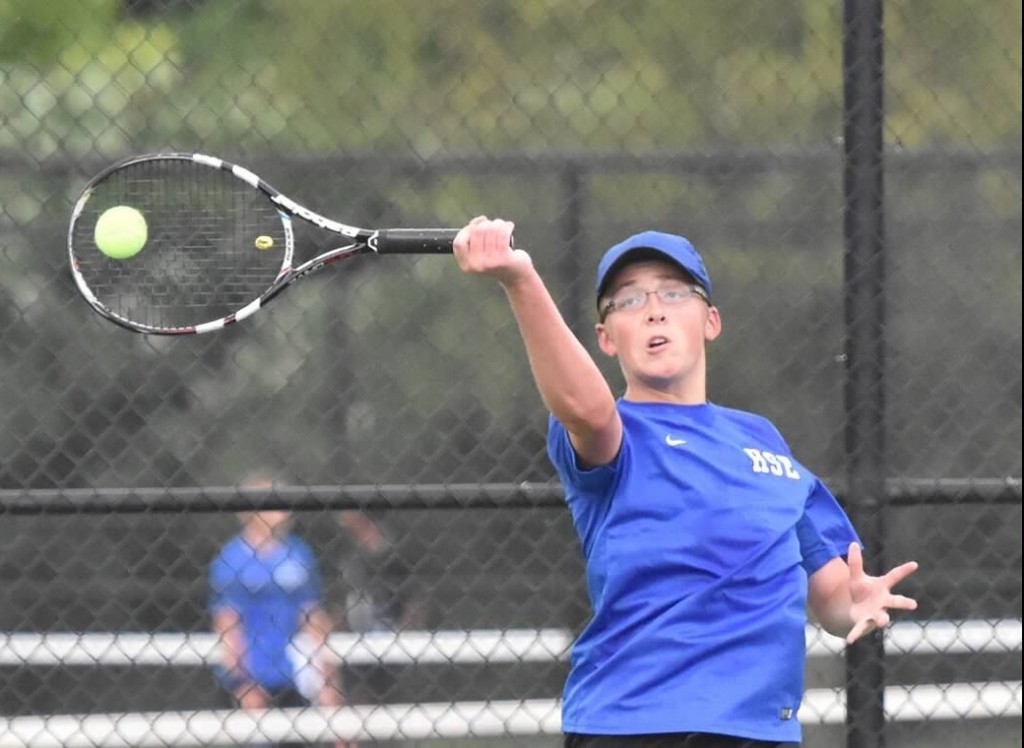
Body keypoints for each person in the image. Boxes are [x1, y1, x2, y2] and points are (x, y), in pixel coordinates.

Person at [451, 217, 919, 748]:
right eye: (627, 300)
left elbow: (832, 595)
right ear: (606, 338)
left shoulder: (763, 441)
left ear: (711, 321)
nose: (653, 308)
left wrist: (853, 602)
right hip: (636, 726)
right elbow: (584, 405)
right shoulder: (614, 432)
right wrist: (520, 279)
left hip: (761, 729)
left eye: (674, 293)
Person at [209, 475, 351, 748]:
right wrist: (242, 681)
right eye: (274, 504)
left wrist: (328, 677)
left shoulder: (298, 553)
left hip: (296, 670)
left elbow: (312, 616)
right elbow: (227, 624)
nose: (284, 511)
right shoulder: (231, 559)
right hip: (254, 669)